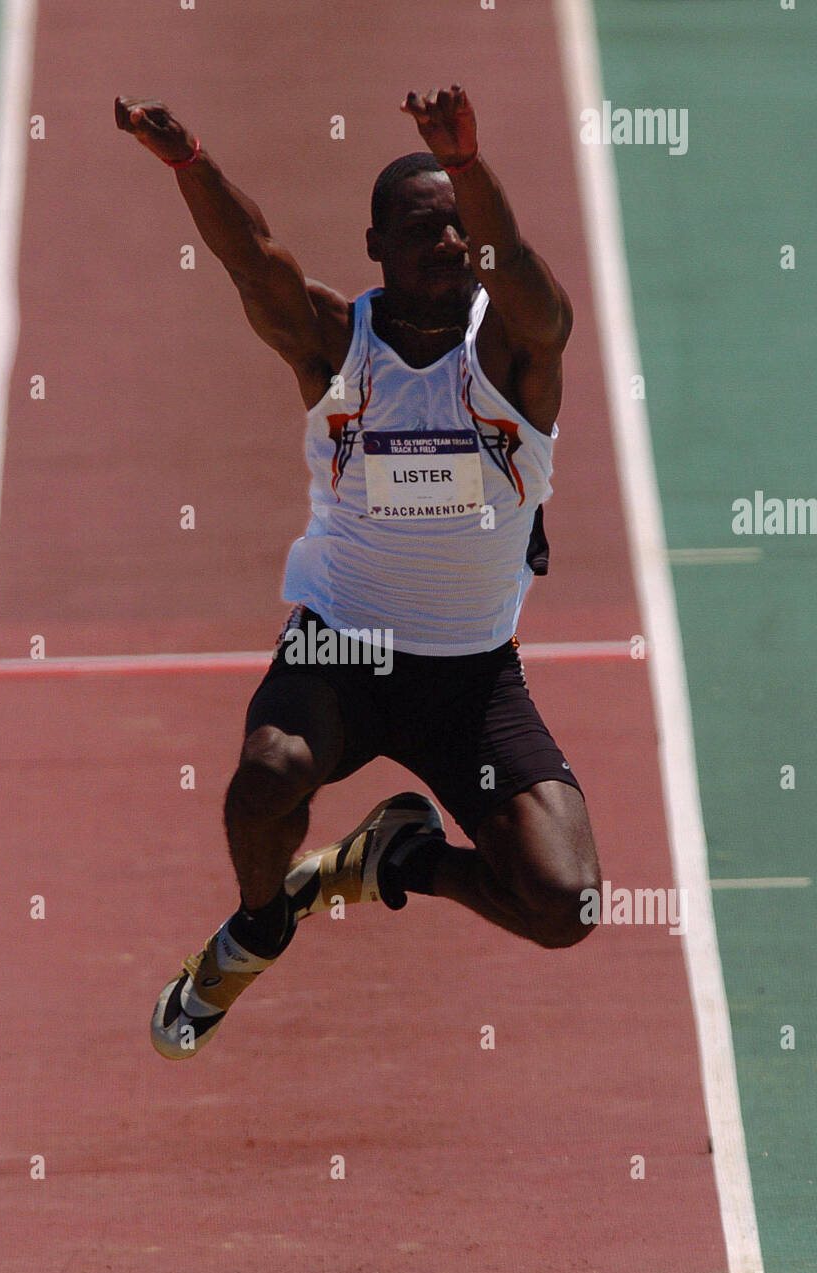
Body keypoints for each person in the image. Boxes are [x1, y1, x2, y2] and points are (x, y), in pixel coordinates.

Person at [115, 85, 601, 1061]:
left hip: (471, 677)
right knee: (267, 776)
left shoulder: (512, 355)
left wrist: (466, 167)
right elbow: (249, 259)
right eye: (421, 230)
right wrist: (188, 161)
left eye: (460, 228)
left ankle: (401, 856)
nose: (449, 243)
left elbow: (537, 300)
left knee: (566, 903)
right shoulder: (337, 346)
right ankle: (255, 929)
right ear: (373, 245)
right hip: (342, 644)